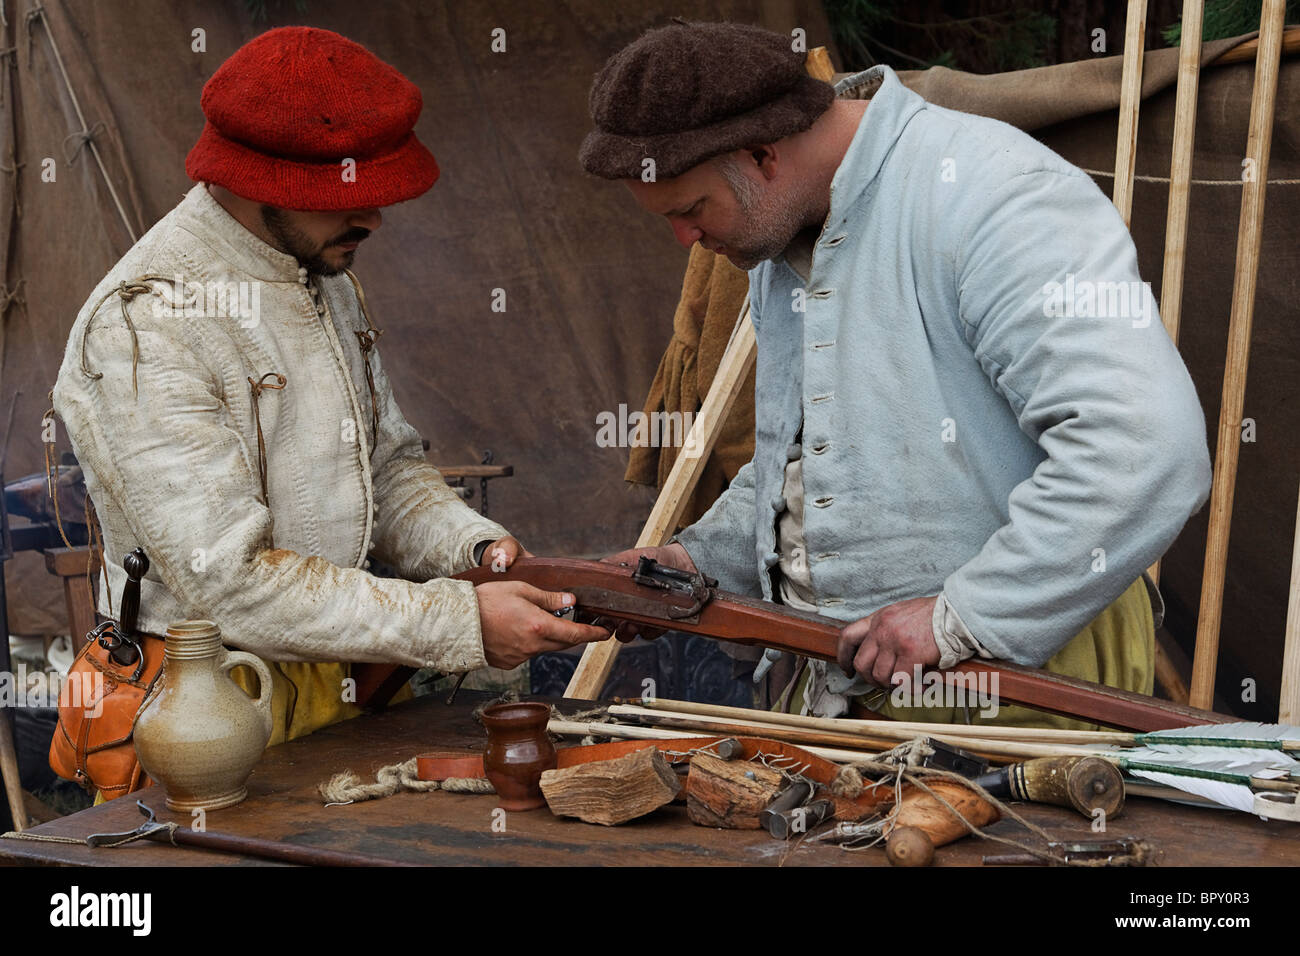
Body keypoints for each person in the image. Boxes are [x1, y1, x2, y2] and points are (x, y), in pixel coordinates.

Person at [581, 21, 1211, 727]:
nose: (684, 239)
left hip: (1020, 690)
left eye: (692, 209)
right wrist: (692, 562)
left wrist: (962, 618)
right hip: (844, 689)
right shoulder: (783, 230)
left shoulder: (994, 196)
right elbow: (812, 458)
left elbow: (1146, 450)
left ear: (762, 155)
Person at [53, 26, 607, 746]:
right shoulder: (144, 322)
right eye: (350, 195)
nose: (375, 217)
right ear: (263, 185)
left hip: (335, 688)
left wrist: (475, 551)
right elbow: (229, 587)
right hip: (195, 715)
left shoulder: (319, 271)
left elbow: (385, 471)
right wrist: (457, 622)